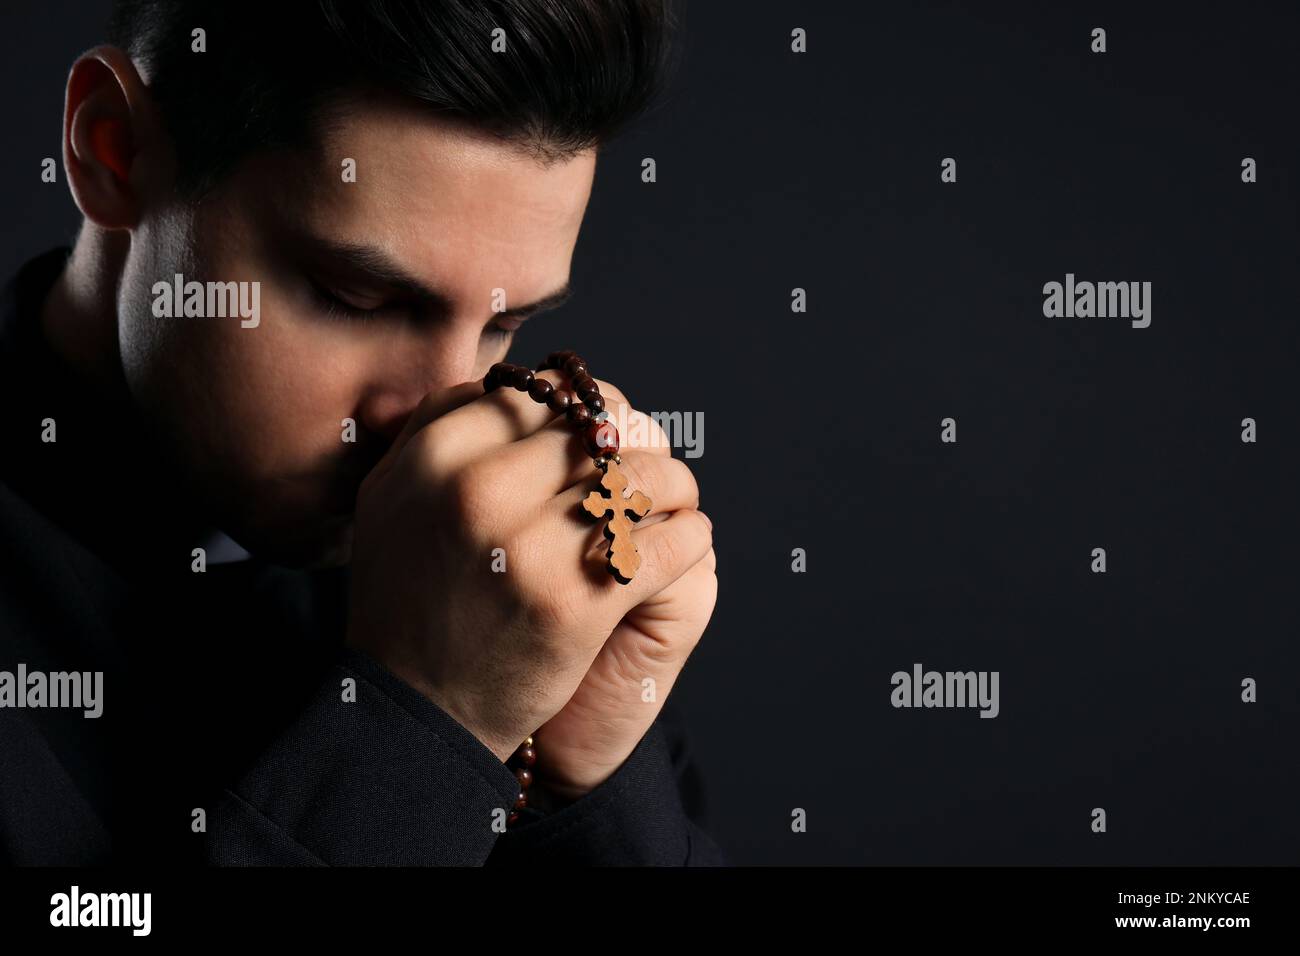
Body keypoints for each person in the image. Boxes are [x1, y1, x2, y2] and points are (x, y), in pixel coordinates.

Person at [0, 0, 725, 866]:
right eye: (358, 299)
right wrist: (423, 727)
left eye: (505, 327)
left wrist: (579, 786)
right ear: (113, 148)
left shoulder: (507, 575)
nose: (440, 413)